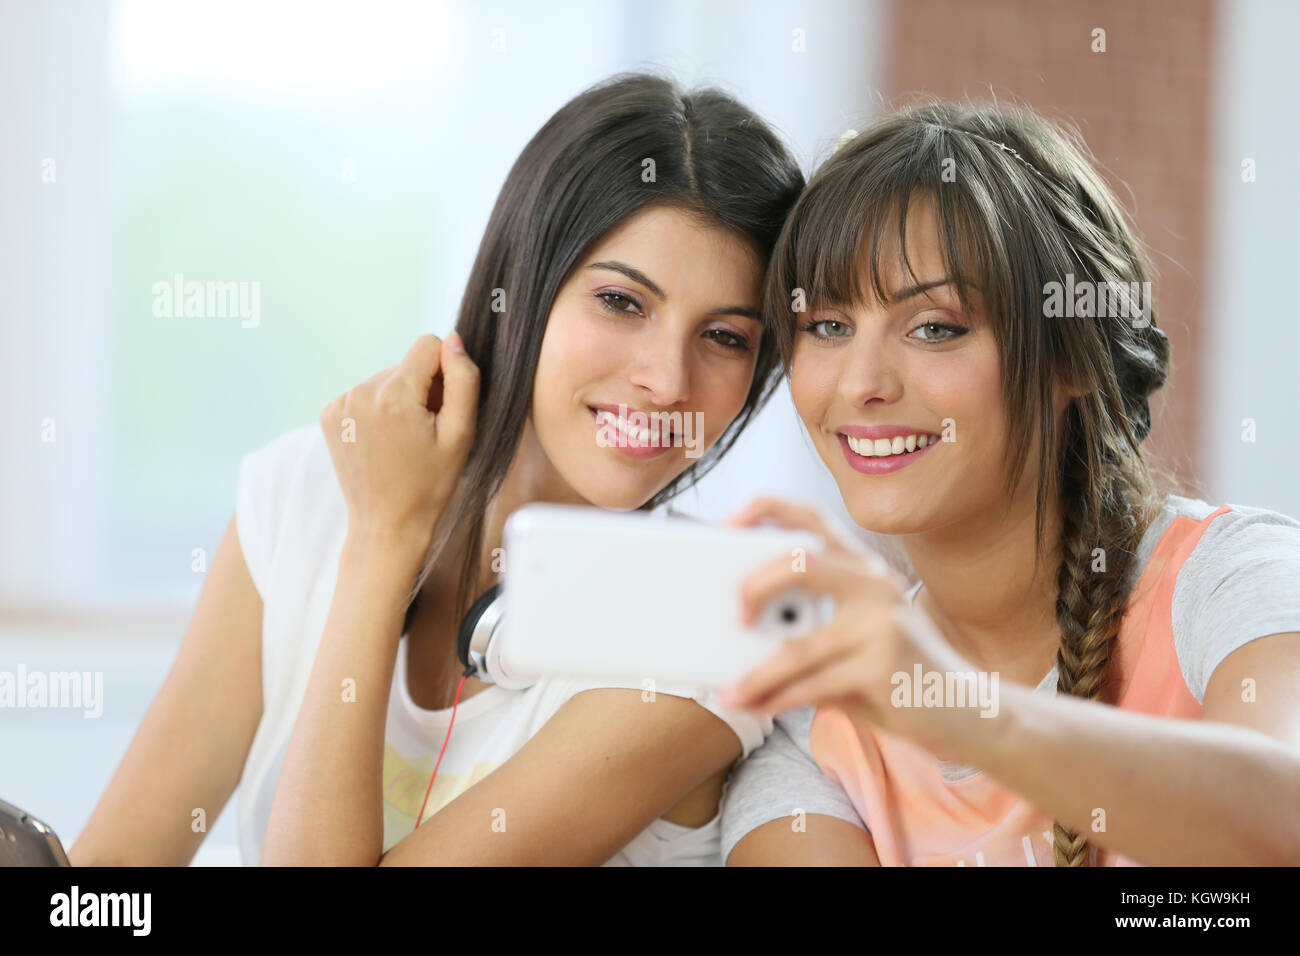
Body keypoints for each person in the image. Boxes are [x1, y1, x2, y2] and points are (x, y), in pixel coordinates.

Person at [70, 72, 804, 866]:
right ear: (521, 284)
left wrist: (383, 545)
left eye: (726, 337)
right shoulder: (305, 494)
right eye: (622, 303)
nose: (667, 380)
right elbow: (106, 883)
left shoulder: (709, 630)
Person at [716, 100, 1300, 866]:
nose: (860, 384)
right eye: (828, 325)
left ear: (1071, 357)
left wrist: (962, 711)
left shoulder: (1229, 583)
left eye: (936, 327)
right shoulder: (817, 735)